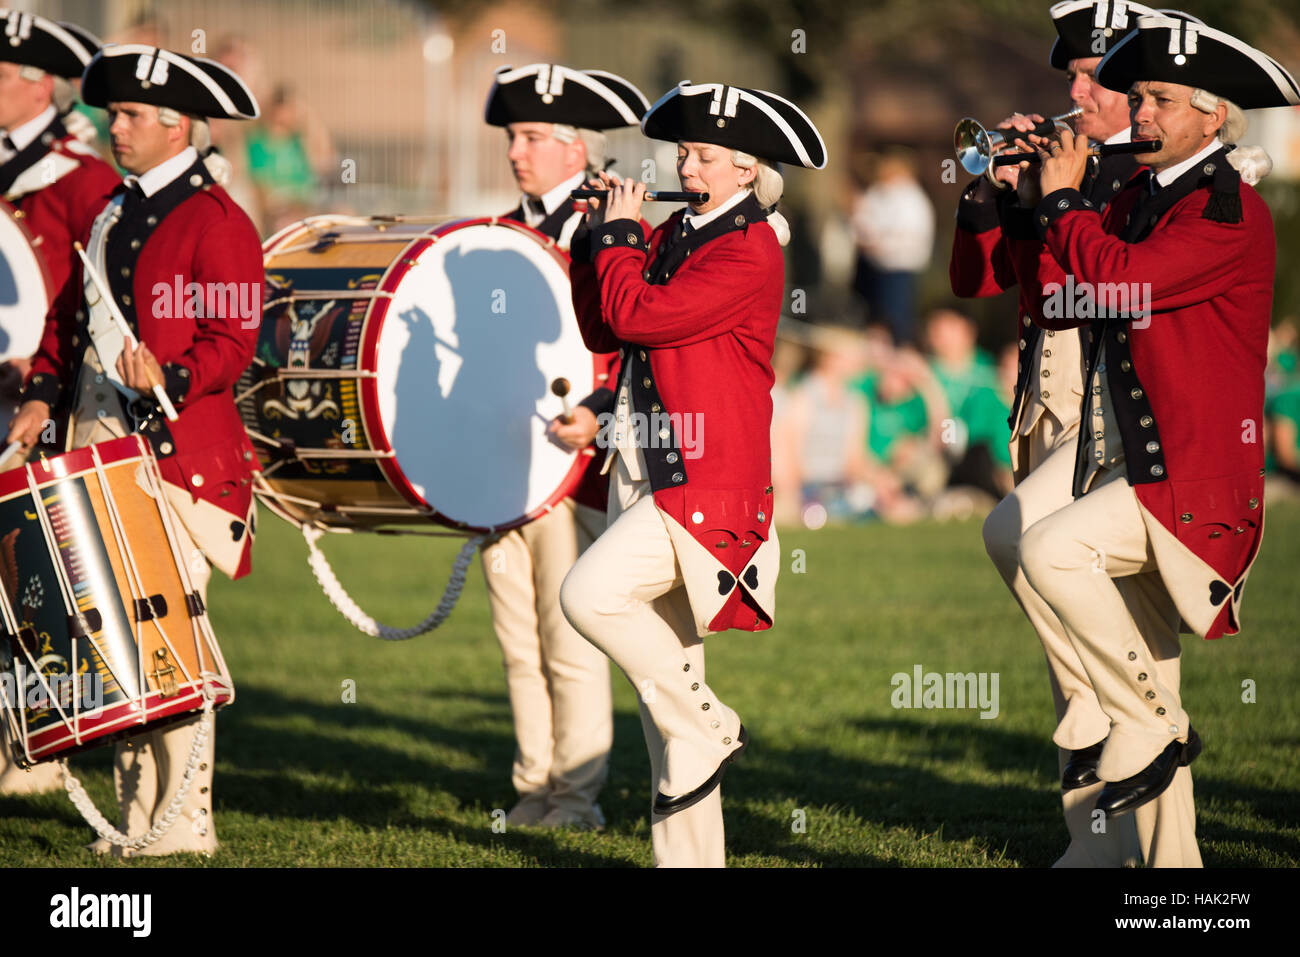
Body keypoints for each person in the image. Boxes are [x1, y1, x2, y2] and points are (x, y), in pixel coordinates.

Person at [1012, 14, 1297, 866]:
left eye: (1162, 100)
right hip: (1135, 459)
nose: (1139, 111)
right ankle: (1171, 873)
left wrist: (1066, 201)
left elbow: (1120, 282)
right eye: (1136, 95)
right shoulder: (1140, 195)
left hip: (1194, 481)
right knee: (1140, 655)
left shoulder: (1225, 209)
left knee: (1049, 550)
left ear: (1213, 117)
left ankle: (1148, 722)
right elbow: (1066, 290)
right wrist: (1027, 202)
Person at [560, 80, 826, 866]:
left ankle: (715, 719)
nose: (686, 163)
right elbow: (603, 319)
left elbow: (644, 314)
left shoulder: (749, 249)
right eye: (683, 152)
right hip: (646, 465)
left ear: (748, 170)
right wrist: (594, 238)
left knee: (589, 595)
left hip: (706, 481)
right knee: (659, 702)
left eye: (703, 154)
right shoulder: (679, 229)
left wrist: (619, 240)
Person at [8, 43, 264, 856]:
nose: (112, 127)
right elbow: (68, 324)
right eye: (112, 114)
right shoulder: (113, 210)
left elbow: (235, 338)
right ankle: (136, 815)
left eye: (127, 116)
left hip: (172, 454)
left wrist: (176, 370)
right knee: (117, 641)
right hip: (98, 447)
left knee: (169, 641)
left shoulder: (218, 219)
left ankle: (185, 821)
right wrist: (44, 395)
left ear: (174, 123)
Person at [954, 0, 1189, 867]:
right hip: (1045, 405)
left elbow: (1085, 292)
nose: (1076, 92)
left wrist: (1053, 193)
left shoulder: (1132, 178)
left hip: (1110, 412)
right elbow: (975, 279)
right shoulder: (1073, 166)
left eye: (1094, 78)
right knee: (1084, 635)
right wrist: (995, 187)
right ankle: (1095, 840)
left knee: (1047, 565)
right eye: (1073, 79)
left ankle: (1164, 861)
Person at [481, 63, 648, 830]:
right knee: (519, 642)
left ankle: (575, 800)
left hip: (575, 470)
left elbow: (635, 340)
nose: (517, 151)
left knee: (567, 639)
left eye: (533, 137)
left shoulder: (611, 223)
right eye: (514, 136)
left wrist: (602, 411)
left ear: (578, 146)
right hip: (505, 469)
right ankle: (535, 786)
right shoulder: (502, 231)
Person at [0, 12, 119, 797]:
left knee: (37, 578)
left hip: (41, 402)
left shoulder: (81, 176)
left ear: (40, 83)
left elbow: (100, 304)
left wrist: (45, 387)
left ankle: (40, 748)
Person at [850, 150, 933, 344]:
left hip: (898, 269)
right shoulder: (878, 193)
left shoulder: (912, 199)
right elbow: (862, 222)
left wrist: (879, 242)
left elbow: (911, 237)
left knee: (895, 321)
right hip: (871, 266)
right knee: (869, 319)